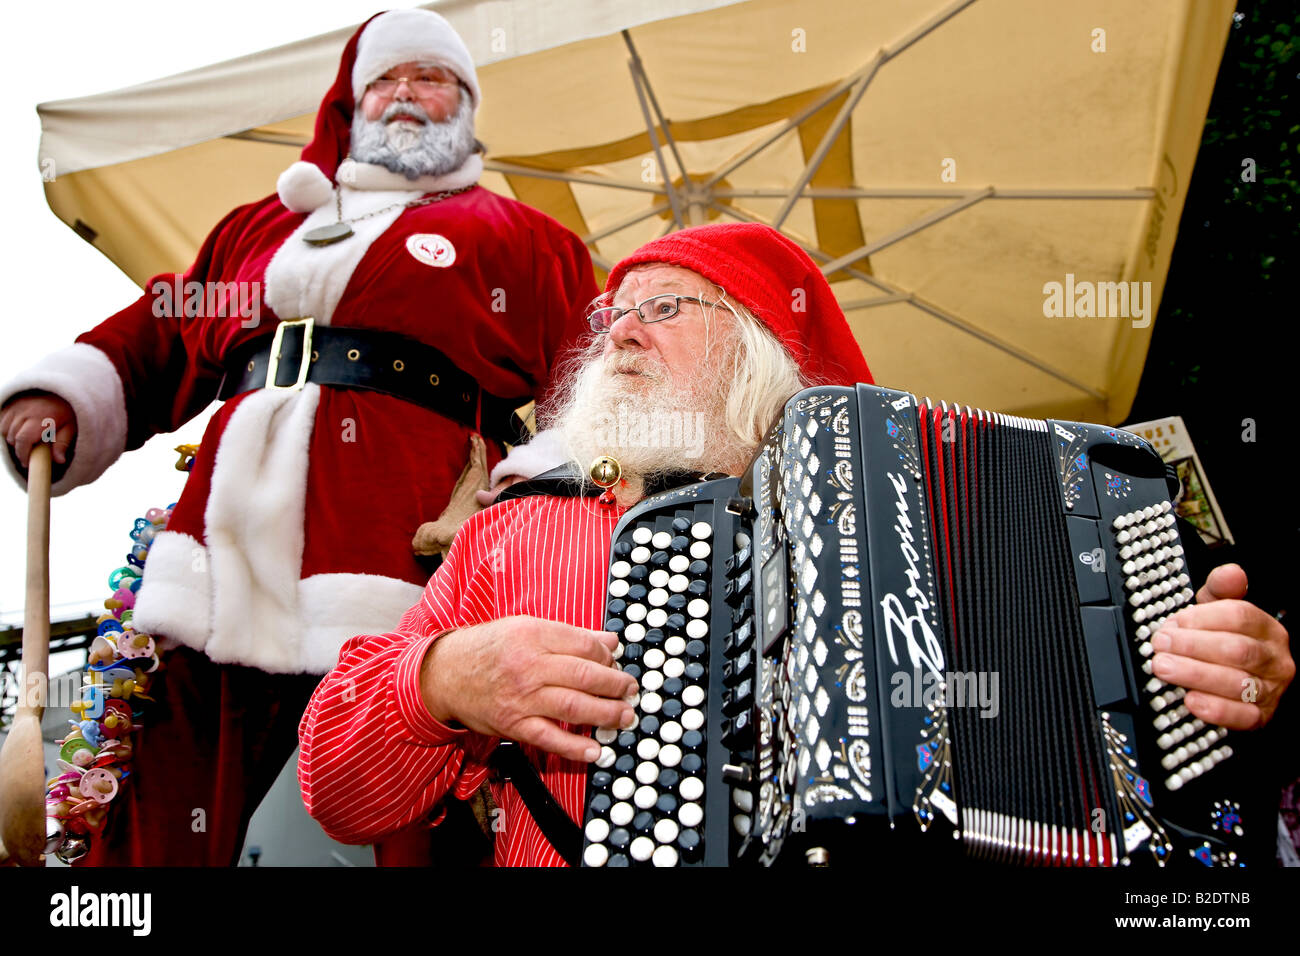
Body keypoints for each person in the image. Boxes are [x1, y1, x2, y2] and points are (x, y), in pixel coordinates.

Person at [297, 222, 1295, 866]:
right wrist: (435, 681)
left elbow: (1189, 756)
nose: (619, 333)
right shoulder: (513, 531)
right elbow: (334, 789)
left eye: (663, 306)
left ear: (766, 347)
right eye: (612, 313)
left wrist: (1231, 680)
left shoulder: (956, 508)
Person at [0, 8, 597, 865]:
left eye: (429, 78)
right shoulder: (256, 231)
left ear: (464, 103)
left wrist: (527, 505)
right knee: (155, 812)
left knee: (407, 812)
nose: (404, 96)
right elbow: (164, 332)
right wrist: (72, 390)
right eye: (384, 81)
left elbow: (590, 386)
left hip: (407, 568)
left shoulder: (527, 242)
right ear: (349, 107)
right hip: (210, 566)